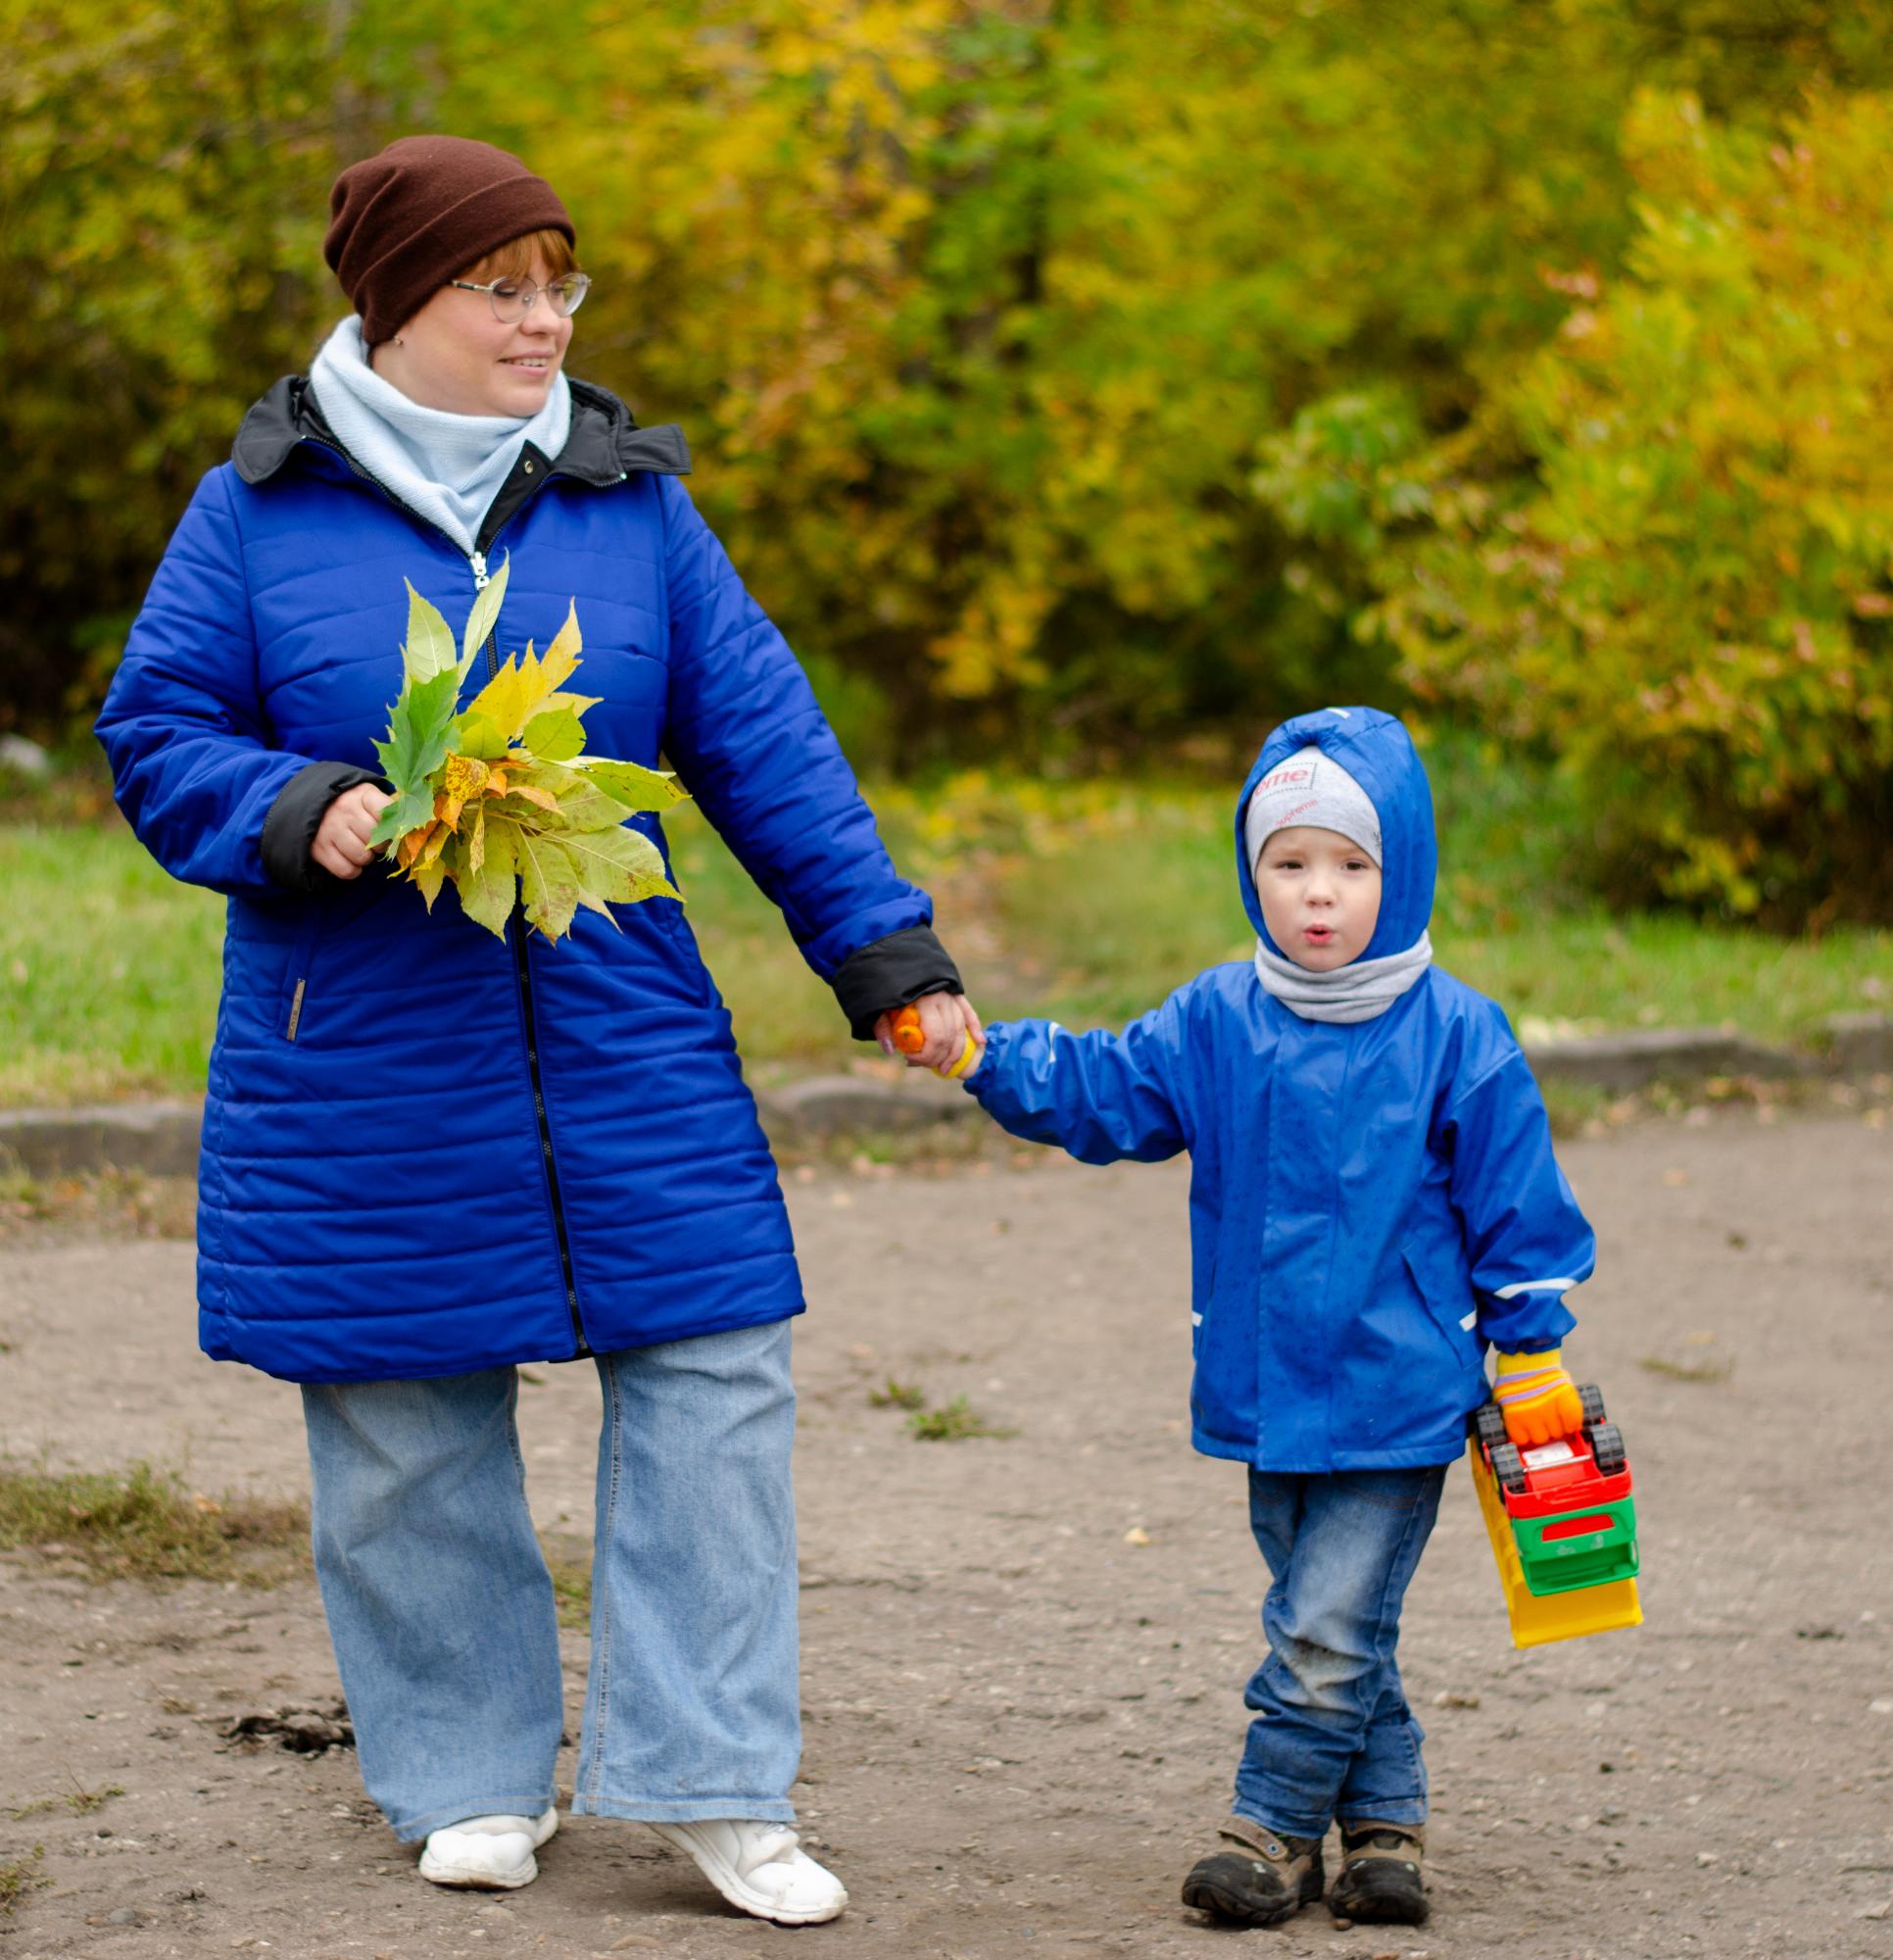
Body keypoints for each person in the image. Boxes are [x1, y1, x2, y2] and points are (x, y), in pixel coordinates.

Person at [94, 134, 982, 1929]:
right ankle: (467, 1773)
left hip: (625, 1028)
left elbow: (760, 738)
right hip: (360, 1045)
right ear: (394, 302)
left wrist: (883, 953)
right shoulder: (254, 510)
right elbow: (156, 729)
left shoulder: (629, 499)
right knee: (406, 1414)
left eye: (558, 282)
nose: (544, 317)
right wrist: (300, 810)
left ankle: (717, 1781)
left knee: (717, 1379)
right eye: (499, 285)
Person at [944, 707, 1595, 1929]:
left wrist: (1532, 1343)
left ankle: (1271, 1830)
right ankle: (1386, 1832)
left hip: (1402, 1385)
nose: (1318, 894)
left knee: (1323, 1628)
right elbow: (1100, 1087)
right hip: (1263, 1381)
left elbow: (1520, 1202)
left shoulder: (1460, 1034)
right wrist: (985, 1053)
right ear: (1251, 871)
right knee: (1341, 1625)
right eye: (1288, 862)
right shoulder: (1215, 1020)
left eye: (1352, 866)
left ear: (1401, 875)